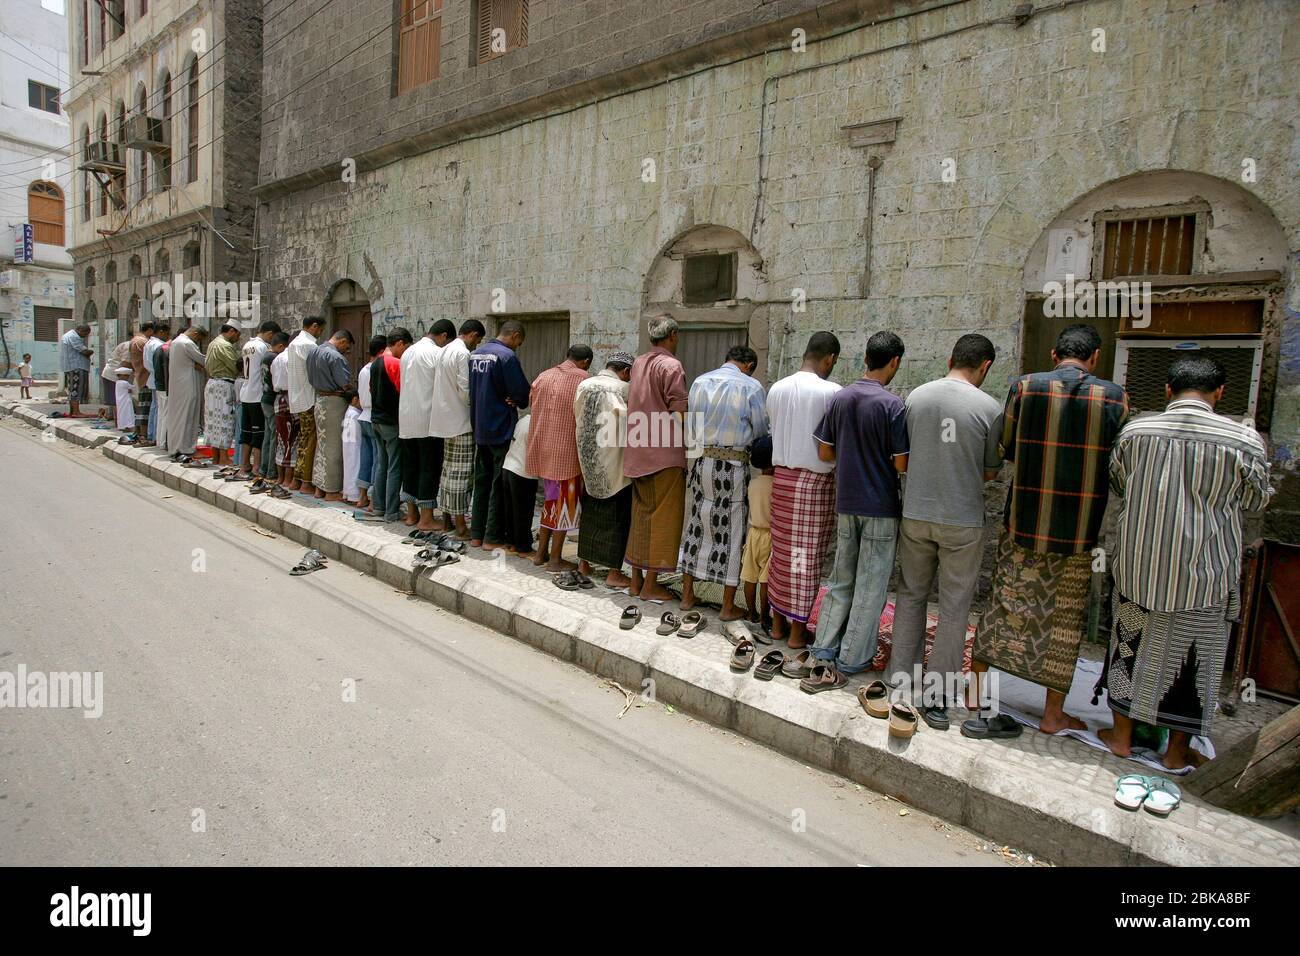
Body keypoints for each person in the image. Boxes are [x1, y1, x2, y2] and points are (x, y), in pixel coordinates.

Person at [1098, 357, 1272, 769]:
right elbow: (1256, 500)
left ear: (1168, 390)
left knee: (1128, 650)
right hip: (1205, 574)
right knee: (1196, 662)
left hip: (1139, 565)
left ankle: (1121, 737)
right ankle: (1176, 752)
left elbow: (1119, 484)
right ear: (1219, 393)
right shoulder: (1243, 440)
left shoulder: (1135, 431)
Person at [964, 324, 1128, 739]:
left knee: (1004, 604)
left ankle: (974, 694)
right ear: (1094, 358)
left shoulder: (1025, 387)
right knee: (1065, 622)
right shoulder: (1115, 397)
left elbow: (1010, 446)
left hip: (1025, 521)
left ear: (1055, 355)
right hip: (1078, 532)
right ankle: (1053, 714)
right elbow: (1117, 464)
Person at [890, 334, 1002, 731]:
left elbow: (902, 457)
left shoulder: (916, 397)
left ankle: (900, 680)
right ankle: (935, 697)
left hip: (915, 513)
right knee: (955, 608)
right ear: (985, 366)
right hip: (962, 520)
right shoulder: (990, 407)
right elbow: (991, 471)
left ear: (950, 357)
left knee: (911, 594)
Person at [805, 331, 909, 691]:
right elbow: (900, 464)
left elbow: (825, 453)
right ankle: (851, 658)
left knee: (840, 579)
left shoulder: (841, 397)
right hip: (880, 505)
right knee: (870, 585)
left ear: (866, 357)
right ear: (894, 362)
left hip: (846, 503)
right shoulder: (893, 405)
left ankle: (823, 649)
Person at [679, 345, 769, 621]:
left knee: (697, 524)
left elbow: (691, 429)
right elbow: (760, 432)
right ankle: (728, 606)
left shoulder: (700, 382)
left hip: (703, 462)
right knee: (731, 531)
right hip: (733, 466)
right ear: (749, 365)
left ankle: (686, 596)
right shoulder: (751, 387)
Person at [766, 332, 841, 649]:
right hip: (813, 484)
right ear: (830, 359)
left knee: (782, 556)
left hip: (781, 481)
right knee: (804, 559)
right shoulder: (832, 393)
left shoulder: (777, 389)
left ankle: (778, 626)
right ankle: (797, 633)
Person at [623, 315, 689, 602]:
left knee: (640, 516)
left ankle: (636, 582)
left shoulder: (639, 362)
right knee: (664, 519)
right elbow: (678, 412)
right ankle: (651, 585)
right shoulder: (671, 365)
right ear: (672, 335)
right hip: (664, 454)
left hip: (637, 451)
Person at [527, 344, 593, 570]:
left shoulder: (543, 376)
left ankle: (540, 554)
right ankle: (555, 559)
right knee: (565, 505)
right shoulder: (583, 380)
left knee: (551, 502)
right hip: (566, 455)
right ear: (585, 362)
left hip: (544, 451)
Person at [574, 351, 636, 588]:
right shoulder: (621, 390)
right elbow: (628, 420)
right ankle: (613, 573)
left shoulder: (584, 384)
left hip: (588, 457)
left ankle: (583, 564)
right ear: (626, 371)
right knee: (616, 517)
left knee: (590, 512)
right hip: (613, 460)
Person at [468, 320, 531, 549]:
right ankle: (491, 538)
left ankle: (476, 534)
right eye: (519, 342)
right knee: (497, 484)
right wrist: (516, 399)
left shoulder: (476, 354)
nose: (518, 347)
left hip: (480, 426)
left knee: (481, 482)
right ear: (514, 335)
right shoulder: (506, 357)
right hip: (500, 427)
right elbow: (522, 394)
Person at [430, 319, 486, 538]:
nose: (476, 345)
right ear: (472, 334)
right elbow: (465, 389)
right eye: (477, 340)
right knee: (461, 475)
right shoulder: (462, 354)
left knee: (448, 470)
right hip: (460, 421)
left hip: (446, 419)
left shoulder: (445, 350)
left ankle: (446, 521)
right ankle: (460, 524)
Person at [400, 320, 453, 531]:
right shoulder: (435, 354)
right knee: (428, 468)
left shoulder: (408, 352)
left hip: (407, 419)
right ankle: (427, 518)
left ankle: (412, 514)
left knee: (411, 467)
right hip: (427, 420)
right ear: (444, 336)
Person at [359, 327, 410, 522]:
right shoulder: (395, 364)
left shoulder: (375, 363)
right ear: (399, 343)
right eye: (405, 347)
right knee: (394, 466)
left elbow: (372, 390)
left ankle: (379, 507)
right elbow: (402, 393)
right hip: (390, 422)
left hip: (376, 419)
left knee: (382, 464)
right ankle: (391, 511)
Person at [230, 320, 282, 482]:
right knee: (259, 434)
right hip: (257, 394)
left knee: (246, 433)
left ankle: (244, 464)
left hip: (246, 393)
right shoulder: (263, 348)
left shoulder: (247, 345)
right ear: (270, 334)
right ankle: (257, 467)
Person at [306, 328, 355, 501]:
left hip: (319, 400)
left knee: (323, 445)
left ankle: (320, 488)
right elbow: (344, 383)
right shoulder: (335, 357)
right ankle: (331, 491)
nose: (346, 351)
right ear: (342, 341)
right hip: (334, 402)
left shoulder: (313, 352)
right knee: (334, 447)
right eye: (347, 347)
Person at [740, 434, 775, 629]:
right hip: (771, 536)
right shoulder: (776, 486)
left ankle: (750, 611)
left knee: (749, 576)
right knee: (766, 580)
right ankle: (764, 617)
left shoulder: (753, 484)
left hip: (753, 534)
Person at [287, 316, 324, 493]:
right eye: (320, 330)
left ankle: (296, 479)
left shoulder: (294, 343)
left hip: (297, 397)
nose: (320, 333)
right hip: (308, 397)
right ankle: (305, 482)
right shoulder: (309, 345)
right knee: (310, 440)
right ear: (314, 327)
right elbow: (315, 372)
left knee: (303, 438)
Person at [252, 331, 290, 495]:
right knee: (275, 436)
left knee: (268, 436)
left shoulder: (265, 357)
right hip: (272, 399)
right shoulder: (274, 358)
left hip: (265, 399)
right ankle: (271, 471)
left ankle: (264, 469)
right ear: (281, 346)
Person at [355, 334, 388, 512]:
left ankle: (362, 496)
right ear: (382, 351)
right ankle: (373, 500)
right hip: (373, 416)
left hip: (363, 416)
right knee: (377, 460)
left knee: (366, 458)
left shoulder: (363, 369)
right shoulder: (378, 368)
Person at [165, 325, 208, 460]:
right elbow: (203, 360)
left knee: (178, 418)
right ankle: (187, 449)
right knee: (189, 417)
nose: (197, 342)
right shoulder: (187, 343)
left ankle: (176, 447)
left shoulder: (176, 342)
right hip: (187, 386)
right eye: (199, 339)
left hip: (178, 386)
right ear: (195, 334)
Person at [501, 412, 539, 556]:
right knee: (523, 512)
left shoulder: (523, 420)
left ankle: (511, 542)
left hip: (509, 466)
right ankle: (523, 547)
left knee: (511, 509)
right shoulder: (537, 423)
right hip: (523, 472)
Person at [204, 324, 241, 469]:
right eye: (238, 335)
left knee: (213, 422)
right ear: (231, 331)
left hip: (213, 384)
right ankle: (224, 457)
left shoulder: (213, 343)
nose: (238, 339)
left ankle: (216, 457)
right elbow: (233, 365)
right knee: (224, 421)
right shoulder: (224, 345)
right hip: (223, 385)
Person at [59, 324, 95, 417]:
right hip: (76, 367)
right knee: (76, 388)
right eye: (85, 333)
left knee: (73, 389)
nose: (86, 336)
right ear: (79, 330)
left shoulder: (68, 335)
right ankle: (76, 412)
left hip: (71, 366)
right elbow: (84, 351)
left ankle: (73, 412)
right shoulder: (73, 336)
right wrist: (91, 351)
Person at [143, 324, 170, 445]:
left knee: (155, 408)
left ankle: (152, 434)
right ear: (161, 332)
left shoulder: (150, 343)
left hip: (153, 378)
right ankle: (155, 436)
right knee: (159, 410)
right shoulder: (157, 345)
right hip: (157, 379)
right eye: (167, 334)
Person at [129, 320, 153, 440]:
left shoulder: (136, 340)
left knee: (141, 407)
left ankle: (139, 433)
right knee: (144, 407)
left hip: (140, 377)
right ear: (150, 330)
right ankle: (143, 434)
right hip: (145, 378)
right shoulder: (142, 341)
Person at [101, 338, 131, 432]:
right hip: (114, 375)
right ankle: (120, 424)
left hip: (112, 373)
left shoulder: (127, 344)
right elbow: (125, 363)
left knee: (116, 401)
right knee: (117, 402)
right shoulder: (129, 346)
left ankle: (119, 423)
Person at [341, 387, 363, 505]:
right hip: (355, 446)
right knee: (355, 466)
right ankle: (354, 495)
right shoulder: (355, 414)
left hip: (348, 446)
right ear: (355, 399)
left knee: (349, 467)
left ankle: (348, 493)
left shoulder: (348, 412)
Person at [152, 328, 171, 449]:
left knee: (161, 415)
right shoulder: (165, 350)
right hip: (164, 387)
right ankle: (163, 442)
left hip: (159, 385)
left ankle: (160, 441)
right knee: (165, 415)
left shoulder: (158, 349)